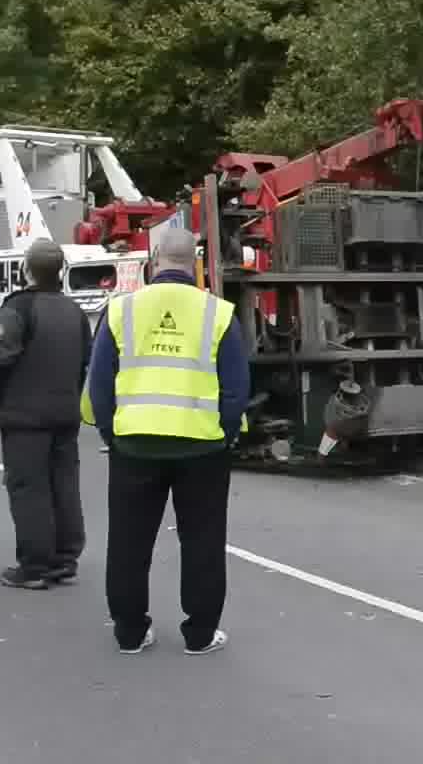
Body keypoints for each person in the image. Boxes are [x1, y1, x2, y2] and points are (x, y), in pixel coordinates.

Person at [82, 226, 248, 656]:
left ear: (154, 261)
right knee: (203, 543)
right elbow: (236, 389)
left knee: (128, 543)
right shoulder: (219, 313)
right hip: (202, 449)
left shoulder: (121, 311)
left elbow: (100, 383)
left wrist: (110, 433)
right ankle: (200, 634)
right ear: (194, 264)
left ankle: (130, 633)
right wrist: (223, 436)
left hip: (134, 445)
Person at [0, 239, 93, 590]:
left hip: (25, 415)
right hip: (64, 412)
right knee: (64, 485)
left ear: (26, 269)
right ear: (60, 271)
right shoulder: (73, 311)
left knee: (29, 487)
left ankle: (35, 566)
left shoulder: (19, 308)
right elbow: (83, 361)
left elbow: (1, 356)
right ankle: (64, 558)